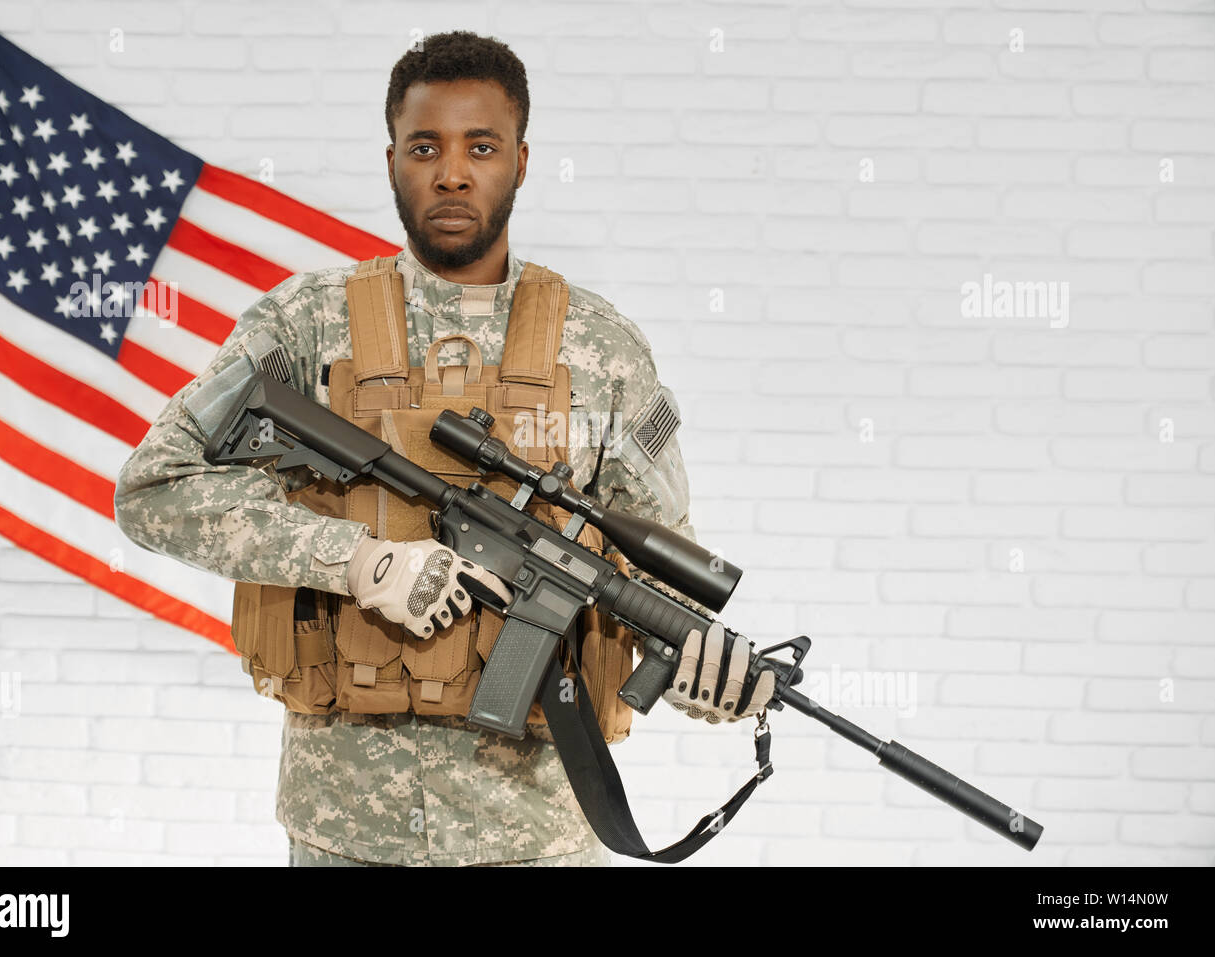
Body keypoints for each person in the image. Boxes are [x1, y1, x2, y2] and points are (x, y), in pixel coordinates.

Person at [115, 31, 772, 868]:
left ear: (523, 162)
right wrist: (354, 560)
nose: (453, 173)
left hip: (539, 835)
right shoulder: (304, 322)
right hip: (343, 828)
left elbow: (650, 576)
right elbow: (154, 487)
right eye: (426, 147)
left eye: (482, 147)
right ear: (392, 158)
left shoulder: (601, 348)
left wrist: (696, 669)